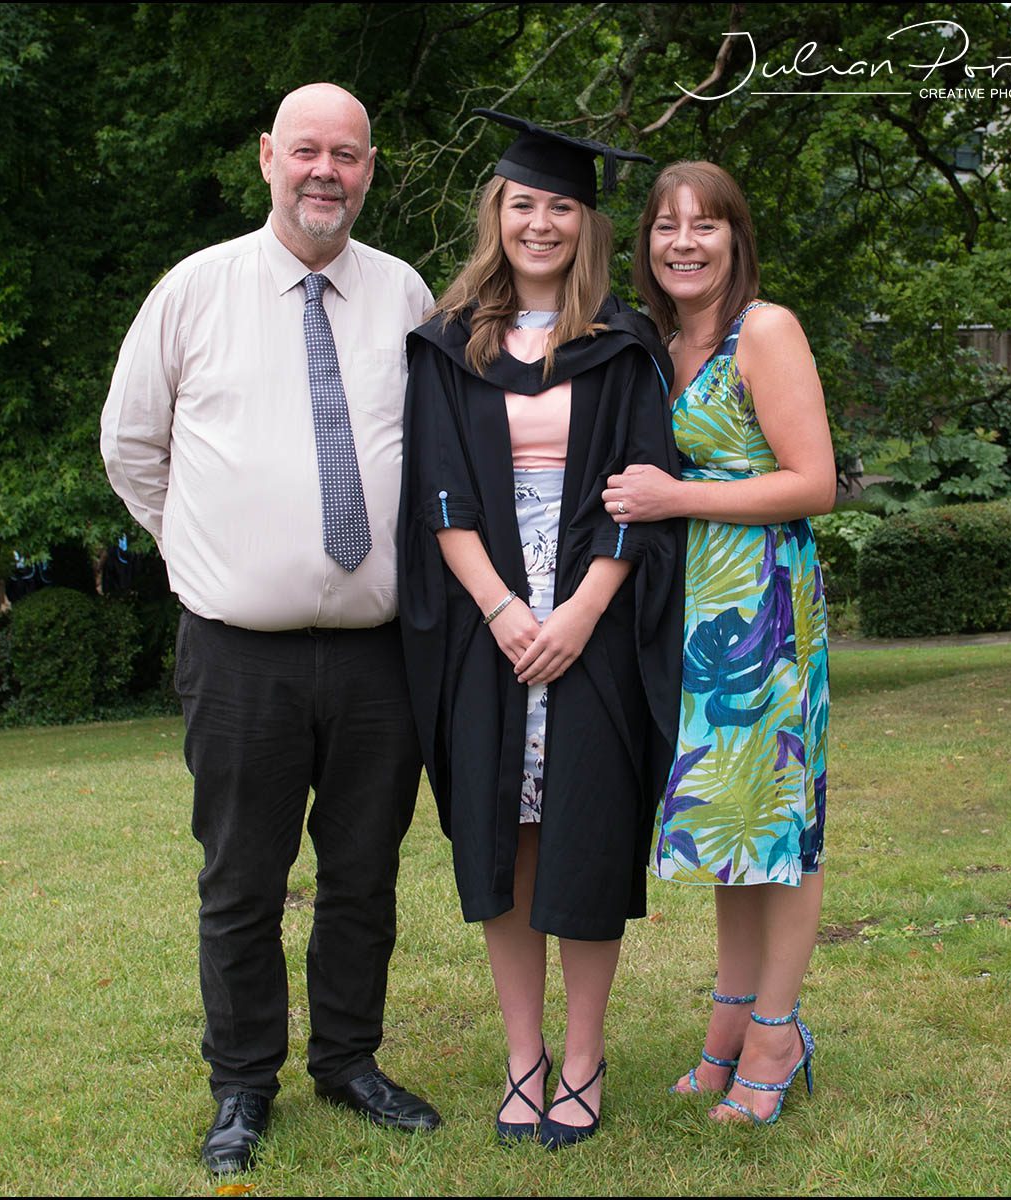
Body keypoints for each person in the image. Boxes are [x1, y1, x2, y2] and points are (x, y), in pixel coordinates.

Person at [101, 82, 440, 1175]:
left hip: (379, 653)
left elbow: (435, 451)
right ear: (267, 158)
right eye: (306, 150)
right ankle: (243, 1084)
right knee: (242, 879)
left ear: (370, 169)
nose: (324, 171)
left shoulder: (404, 295)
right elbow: (130, 445)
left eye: (346, 153)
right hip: (239, 654)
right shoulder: (194, 291)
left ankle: (349, 1061)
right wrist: (199, 549)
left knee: (364, 873)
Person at [398, 110, 684, 1150]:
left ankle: (583, 1058)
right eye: (524, 204)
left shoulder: (623, 344)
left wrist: (582, 612)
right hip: (490, 622)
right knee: (505, 834)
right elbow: (439, 495)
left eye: (562, 206)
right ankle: (523, 1059)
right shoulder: (447, 342)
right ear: (497, 213)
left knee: (587, 834)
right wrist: (506, 611)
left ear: (586, 224)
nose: (541, 223)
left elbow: (642, 489)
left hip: (594, 620)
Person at [603, 161, 834, 1126]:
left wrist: (677, 496)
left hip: (767, 606)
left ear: (737, 238)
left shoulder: (764, 330)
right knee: (734, 826)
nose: (684, 242)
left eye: (705, 225)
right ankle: (730, 1027)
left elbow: (814, 480)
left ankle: (777, 1035)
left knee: (780, 824)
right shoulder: (662, 344)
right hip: (696, 615)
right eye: (666, 226)